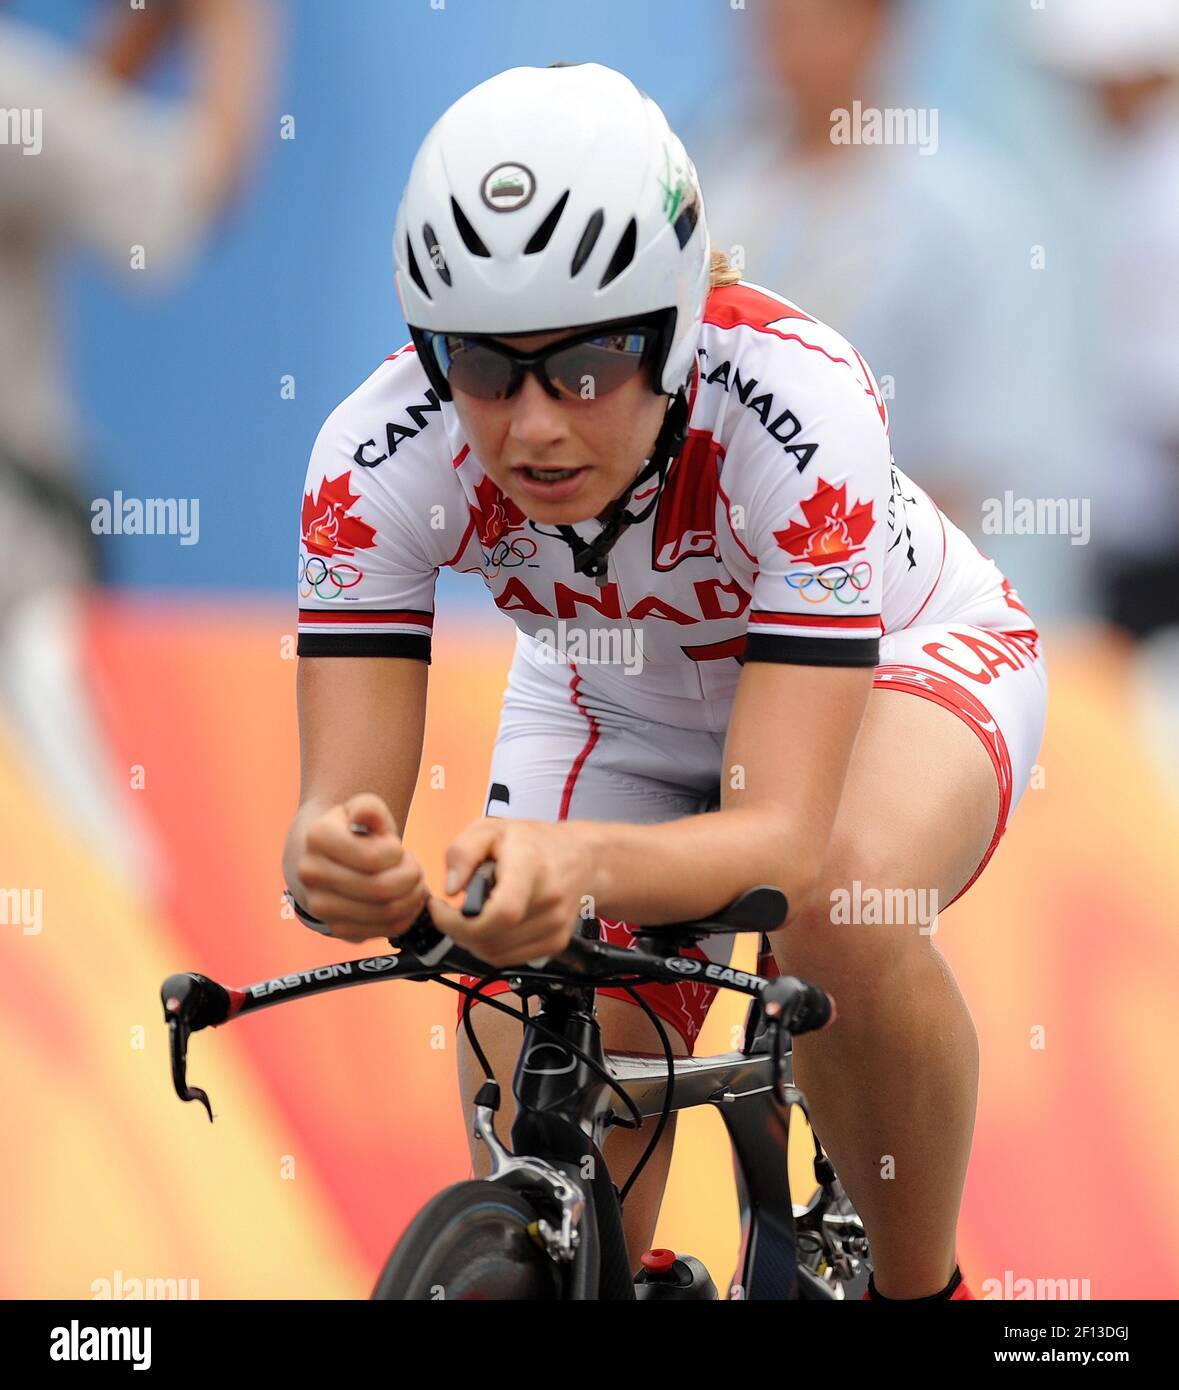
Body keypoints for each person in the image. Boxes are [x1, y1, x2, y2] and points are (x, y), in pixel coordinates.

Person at [283, 61, 1048, 1302]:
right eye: (478, 363)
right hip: (615, 702)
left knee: (839, 905)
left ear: (677, 326)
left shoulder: (797, 399)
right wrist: (337, 861)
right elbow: (337, 822)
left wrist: (571, 864)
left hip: (900, 670)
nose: (531, 424)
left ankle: (925, 1295)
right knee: (538, 1023)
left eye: (586, 366)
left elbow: (784, 847)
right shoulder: (373, 456)